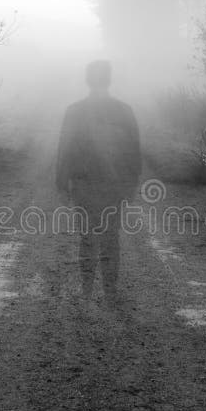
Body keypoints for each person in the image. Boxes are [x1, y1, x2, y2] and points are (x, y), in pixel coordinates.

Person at [56, 59, 141, 301]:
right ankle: (110, 289)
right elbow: (134, 150)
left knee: (87, 236)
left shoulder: (74, 111)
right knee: (110, 236)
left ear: (87, 80)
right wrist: (131, 184)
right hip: (113, 186)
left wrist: (62, 184)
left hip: (83, 184)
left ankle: (86, 288)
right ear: (109, 79)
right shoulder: (124, 111)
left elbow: (65, 149)